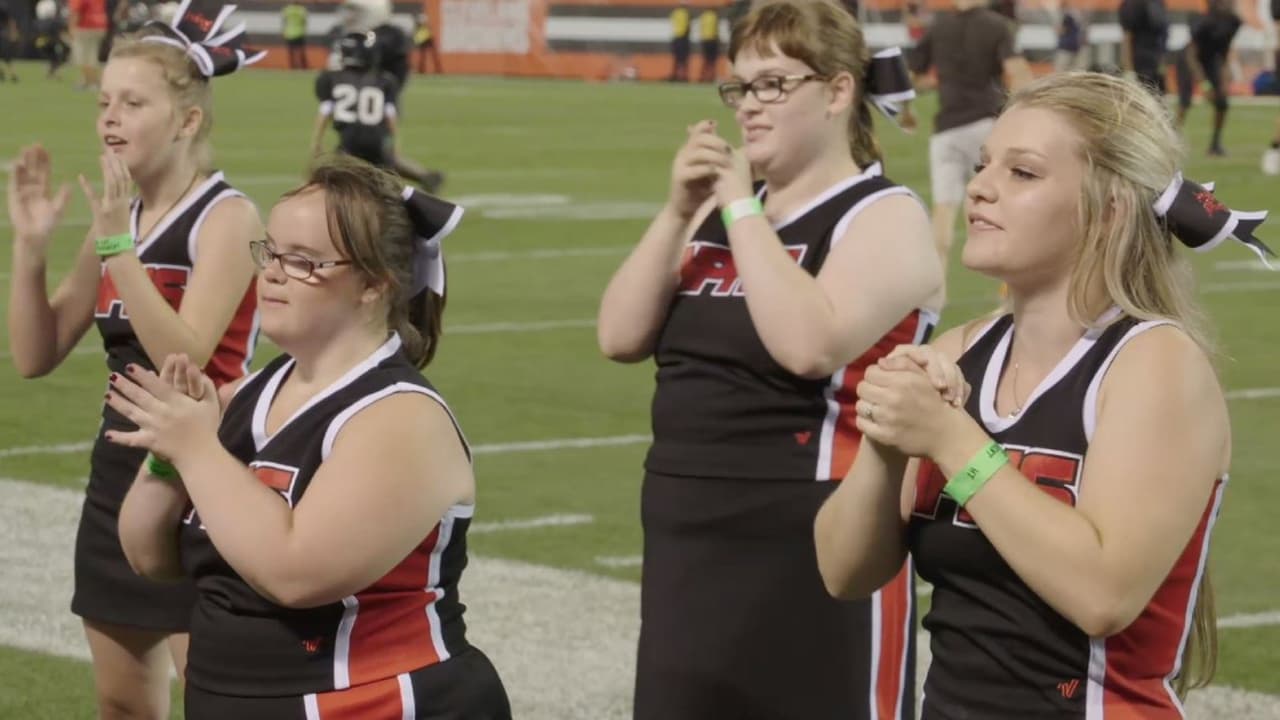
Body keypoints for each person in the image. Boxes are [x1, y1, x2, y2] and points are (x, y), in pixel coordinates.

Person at [815, 71, 1272, 717]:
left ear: (1108, 208)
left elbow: (1102, 593)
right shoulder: (955, 352)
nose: (980, 187)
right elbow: (842, 571)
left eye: (1022, 173)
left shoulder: (1155, 365)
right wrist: (889, 443)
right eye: (983, 166)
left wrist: (950, 439)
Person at [598, 2, 942, 718]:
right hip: (687, 534)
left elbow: (809, 344)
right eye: (741, 88)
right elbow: (619, 337)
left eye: (773, 86)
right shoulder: (720, 213)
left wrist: (740, 212)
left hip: (819, 541)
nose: (749, 107)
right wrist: (674, 214)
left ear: (839, 91)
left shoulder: (884, 216)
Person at [108, 155, 512, 720]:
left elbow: (295, 574)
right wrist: (168, 456)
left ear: (373, 284)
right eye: (270, 251)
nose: (271, 272)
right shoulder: (244, 395)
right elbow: (149, 557)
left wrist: (197, 448)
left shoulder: (400, 417)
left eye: (302, 262)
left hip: (375, 703)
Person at [5, 2, 264, 716]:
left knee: (214, 701)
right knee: (122, 704)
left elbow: (186, 351)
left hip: (203, 485)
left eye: (133, 102)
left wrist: (119, 246)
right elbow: (35, 354)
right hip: (117, 474)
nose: (109, 118)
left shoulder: (230, 217)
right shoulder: (120, 218)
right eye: (104, 101)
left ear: (186, 121)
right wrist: (29, 252)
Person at [908, 0, 1031, 303]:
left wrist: (907, 110)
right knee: (1005, 208)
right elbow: (1017, 73)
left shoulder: (939, 26)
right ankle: (1012, 288)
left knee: (944, 210)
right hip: (986, 127)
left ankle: (934, 297)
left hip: (947, 128)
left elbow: (913, 72)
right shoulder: (997, 26)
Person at [312, 31, 444, 193]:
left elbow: (325, 111)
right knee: (385, 171)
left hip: (349, 141)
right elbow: (390, 116)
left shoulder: (332, 78)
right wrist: (395, 142)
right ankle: (423, 177)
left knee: (335, 178)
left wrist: (317, 142)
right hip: (376, 140)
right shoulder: (384, 80)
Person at [1174, 0, 1241, 156]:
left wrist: (1224, 78)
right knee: (1185, 102)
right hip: (1188, 60)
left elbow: (1224, 51)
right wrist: (1205, 85)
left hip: (1210, 60)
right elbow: (1191, 55)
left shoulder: (1234, 21)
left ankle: (1215, 144)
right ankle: (1172, 142)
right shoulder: (1205, 22)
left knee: (1222, 102)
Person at [1119, 0, 1169, 97]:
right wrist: (1129, 69)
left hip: (1155, 61)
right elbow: (1128, 37)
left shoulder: (1158, 3)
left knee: (1159, 99)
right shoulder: (1132, 5)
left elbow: (1163, 37)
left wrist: (1162, 62)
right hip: (1140, 62)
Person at [68, 0, 109, 88]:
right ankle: (88, 80)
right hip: (100, 25)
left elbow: (76, 12)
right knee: (92, 56)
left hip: (85, 27)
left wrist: (71, 28)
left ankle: (90, 81)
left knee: (83, 57)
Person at [35, 0, 73, 81]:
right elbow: (63, 29)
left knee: (53, 57)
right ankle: (53, 70)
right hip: (51, 42)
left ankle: (52, 72)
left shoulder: (39, 22)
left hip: (41, 43)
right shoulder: (55, 21)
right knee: (63, 53)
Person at [1053, 0, 1088, 72]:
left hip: (1066, 48)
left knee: (1061, 71)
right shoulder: (1076, 15)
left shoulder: (1066, 16)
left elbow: (1060, 30)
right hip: (1076, 47)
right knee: (1075, 70)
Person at [281, 1, 308, 70]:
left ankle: (293, 67)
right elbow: (304, 22)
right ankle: (303, 67)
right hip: (299, 33)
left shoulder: (287, 9)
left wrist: (284, 31)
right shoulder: (302, 10)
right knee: (300, 51)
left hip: (290, 33)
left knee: (291, 52)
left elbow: (284, 21)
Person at [697, 6, 720, 83]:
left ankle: (702, 76)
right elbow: (715, 29)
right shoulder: (714, 16)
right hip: (712, 40)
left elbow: (701, 28)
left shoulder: (703, 16)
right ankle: (711, 77)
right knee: (712, 61)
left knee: (705, 60)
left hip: (704, 40)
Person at [669, 2, 691, 82]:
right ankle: (683, 76)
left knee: (676, 59)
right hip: (683, 38)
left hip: (676, 37)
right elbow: (687, 26)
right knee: (684, 59)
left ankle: (675, 75)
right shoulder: (686, 13)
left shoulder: (675, 12)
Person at [0, 0, 21, 82]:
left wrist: (13, 33)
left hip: (2, 34)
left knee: (6, 56)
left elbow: (10, 20)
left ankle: (13, 75)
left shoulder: (2, 6)